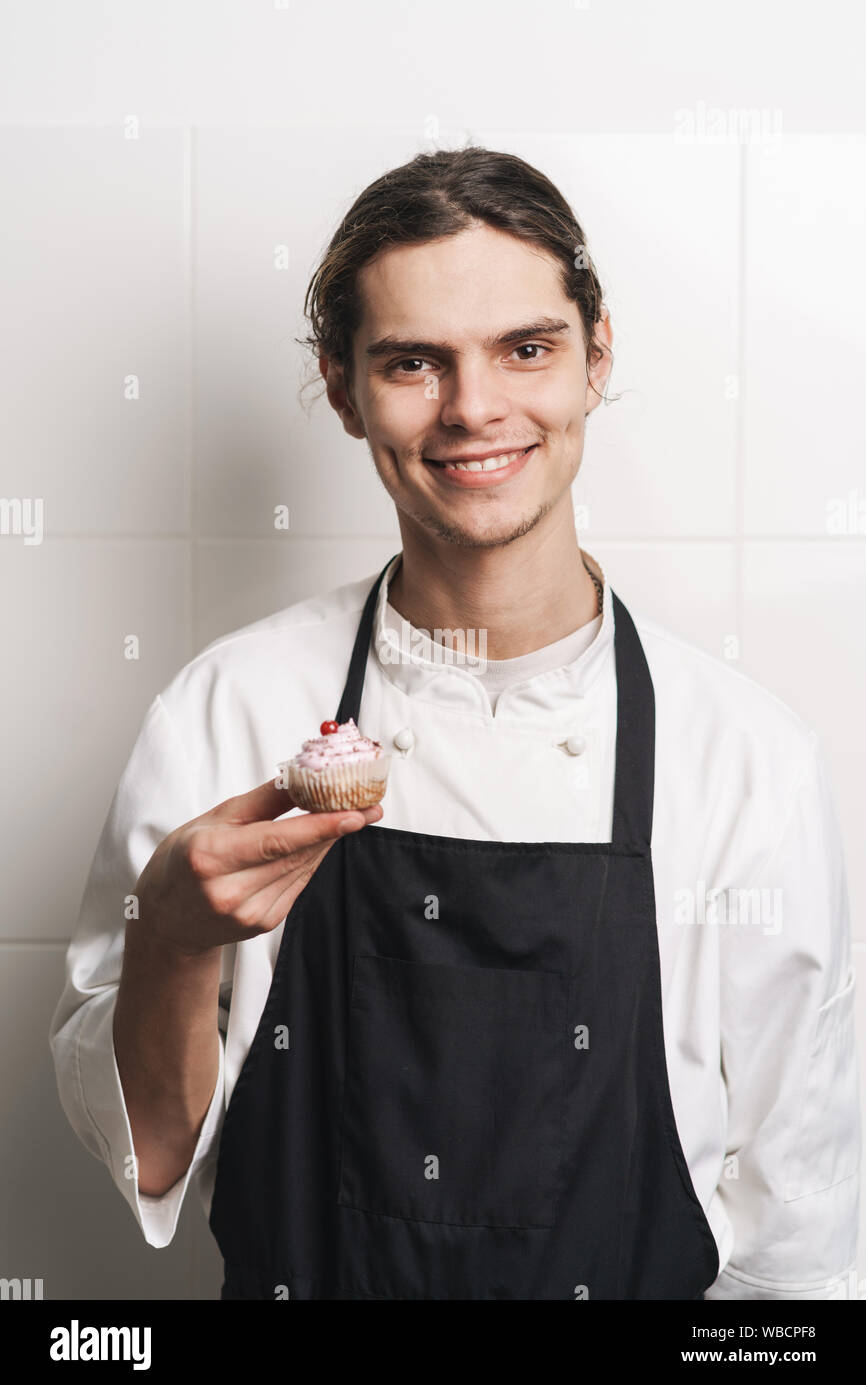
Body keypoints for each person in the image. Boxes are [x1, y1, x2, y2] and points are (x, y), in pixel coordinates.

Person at [50, 146, 860, 1301]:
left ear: (595, 359)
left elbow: (798, 1248)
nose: (474, 407)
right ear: (341, 388)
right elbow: (152, 1154)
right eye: (412, 362)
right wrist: (171, 944)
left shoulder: (745, 761)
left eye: (525, 349)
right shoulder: (227, 710)